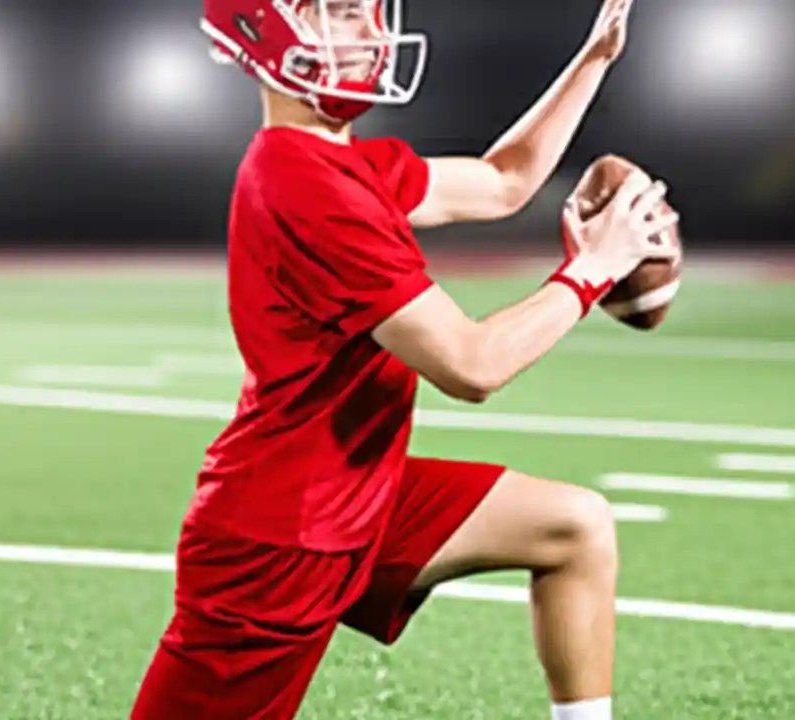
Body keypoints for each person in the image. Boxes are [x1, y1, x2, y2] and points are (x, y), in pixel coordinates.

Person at [132, 1, 679, 718]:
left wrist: (594, 58)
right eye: (344, 13)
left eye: (371, 12)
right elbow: (472, 365)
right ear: (267, 30)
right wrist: (593, 269)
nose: (373, 33)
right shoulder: (306, 187)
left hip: (359, 493)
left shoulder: (344, 164)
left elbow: (506, 181)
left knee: (574, 527)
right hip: (280, 543)